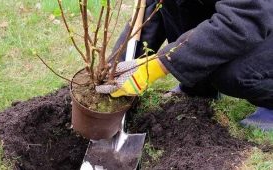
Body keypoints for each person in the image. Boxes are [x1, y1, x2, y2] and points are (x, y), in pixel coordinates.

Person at [96, 0, 273, 131]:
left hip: (257, 15)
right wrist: (117, 67)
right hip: (247, 16)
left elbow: (244, 18)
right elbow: (154, 9)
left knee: (232, 75)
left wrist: (163, 63)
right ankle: (199, 87)